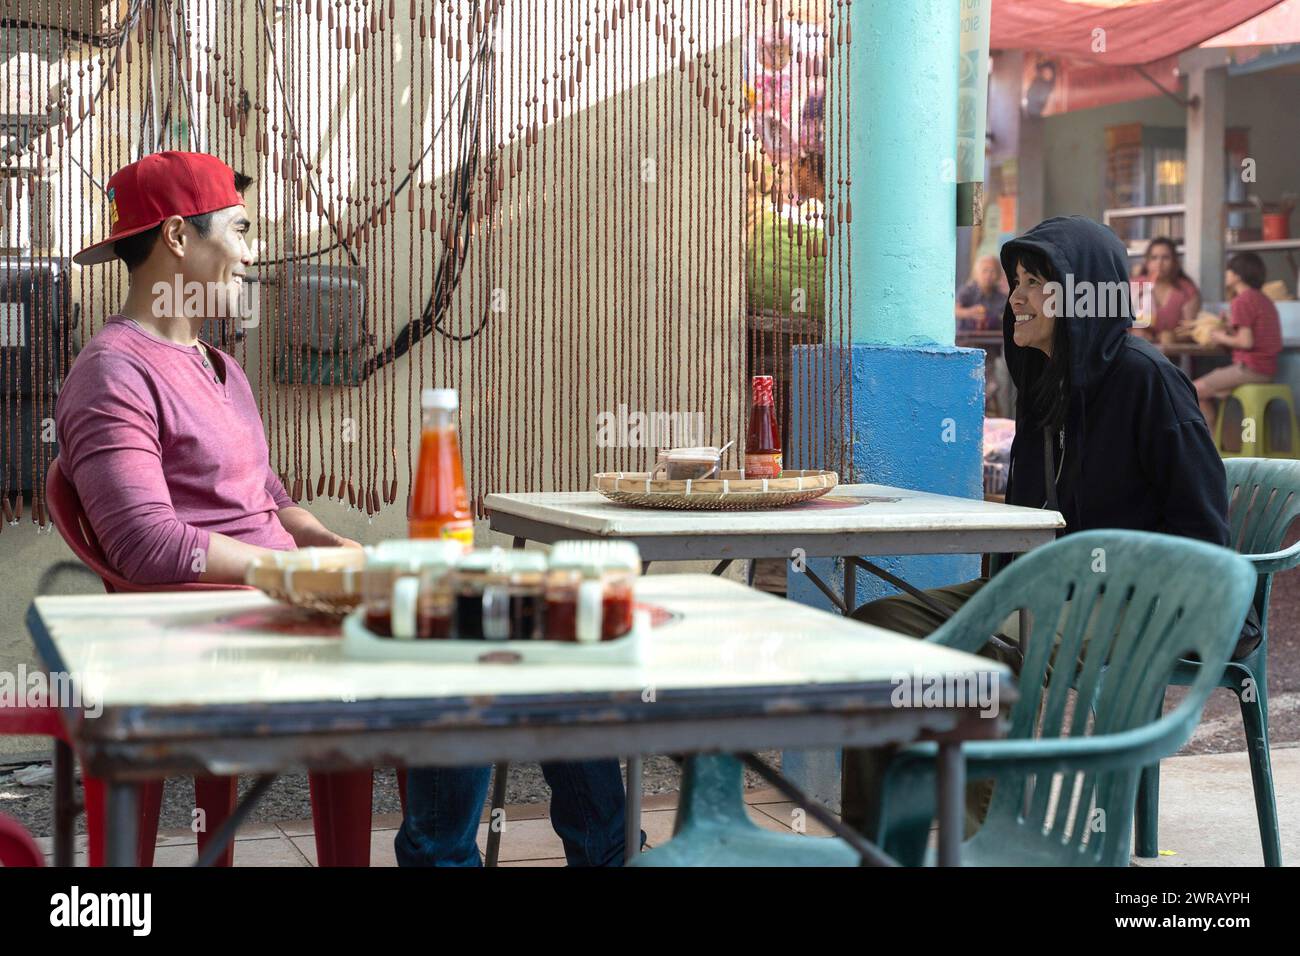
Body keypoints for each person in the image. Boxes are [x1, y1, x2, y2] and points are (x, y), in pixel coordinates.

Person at [843, 216, 1233, 837]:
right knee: (878, 630)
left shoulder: (1146, 380)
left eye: (1034, 283)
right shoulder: (1044, 383)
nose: (1015, 297)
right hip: (1045, 587)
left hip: (1141, 598)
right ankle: (878, 842)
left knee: (982, 655)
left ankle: (976, 843)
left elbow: (1204, 527)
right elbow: (1031, 519)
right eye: (1015, 281)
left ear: (1081, 294)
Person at [55, 151, 359, 585]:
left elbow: (264, 494)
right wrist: (298, 572)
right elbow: (147, 547)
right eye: (239, 232)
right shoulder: (114, 374)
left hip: (291, 602)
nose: (250, 256)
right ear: (177, 236)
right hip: (224, 632)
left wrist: (328, 545)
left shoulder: (224, 368)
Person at [1190, 252, 1282, 426]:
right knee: (1206, 392)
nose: (1226, 276)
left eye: (1228, 272)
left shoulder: (1242, 300)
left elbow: (1246, 342)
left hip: (1250, 369)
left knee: (1191, 391)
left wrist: (1220, 336)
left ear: (1237, 276)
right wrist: (1231, 329)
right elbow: (1253, 335)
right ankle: (1214, 441)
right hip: (1267, 370)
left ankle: (1208, 445)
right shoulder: (1264, 300)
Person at [1132, 236, 1200, 340]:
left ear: (1175, 262)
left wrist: (1173, 338)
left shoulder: (1187, 290)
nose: (1159, 263)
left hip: (1174, 354)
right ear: (1147, 263)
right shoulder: (1133, 286)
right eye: (1154, 258)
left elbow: (1191, 332)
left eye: (1166, 258)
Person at [955, 254, 1008, 332]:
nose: (988, 275)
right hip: (967, 339)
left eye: (992, 271)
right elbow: (954, 310)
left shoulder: (1002, 296)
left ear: (998, 275)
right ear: (976, 273)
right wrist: (969, 312)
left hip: (994, 339)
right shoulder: (967, 291)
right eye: (985, 270)